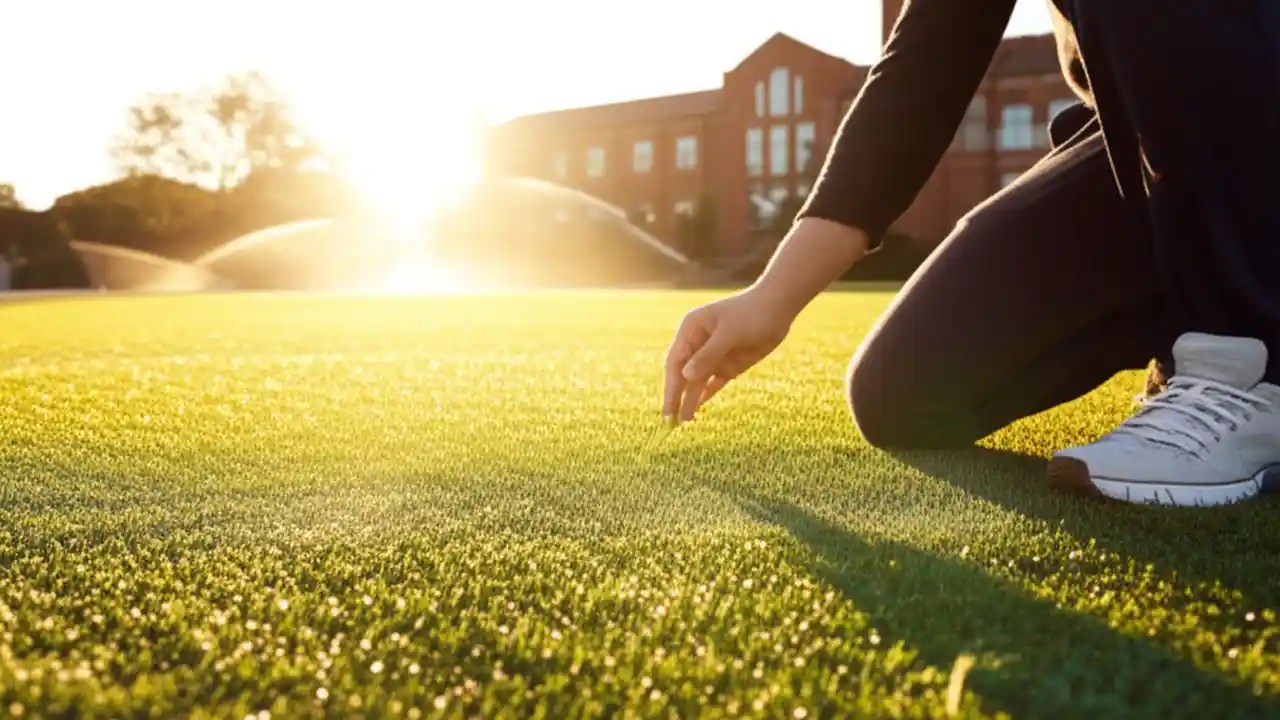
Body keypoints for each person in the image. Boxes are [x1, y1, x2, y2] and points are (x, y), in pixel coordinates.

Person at [662, 0, 1280, 508]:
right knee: (903, 392)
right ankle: (1201, 310)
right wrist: (772, 297)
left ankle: (1245, 362)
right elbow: (926, 63)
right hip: (1149, 144)